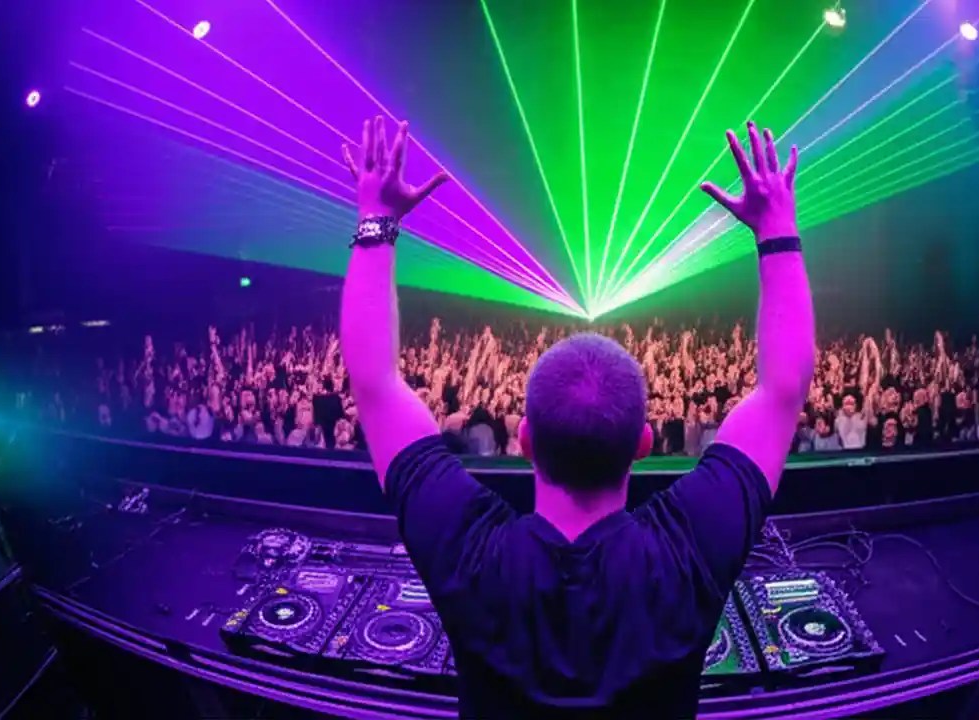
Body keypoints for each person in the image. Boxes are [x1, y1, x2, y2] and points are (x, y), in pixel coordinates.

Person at [341, 118, 813, 717]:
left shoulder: (470, 554)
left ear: (525, 438)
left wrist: (376, 220)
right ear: (644, 442)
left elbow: (374, 384)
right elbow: (783, 390)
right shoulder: (687, 552)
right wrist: (777, 229)